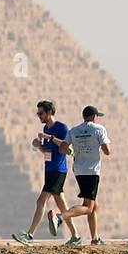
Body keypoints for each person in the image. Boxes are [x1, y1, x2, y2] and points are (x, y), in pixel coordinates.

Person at [12, 100, 80, 246]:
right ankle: (75, 236)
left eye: (40, 113)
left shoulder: (62, 128)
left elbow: (68, 149)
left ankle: (29, 235)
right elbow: (48, 151)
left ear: (49, 113)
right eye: (38, 113)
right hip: (49, 169)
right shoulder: (46, 128)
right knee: (61, 205)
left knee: (41, 200)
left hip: (58, 170)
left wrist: (49, 138)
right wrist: (38, 146)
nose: (38, 116)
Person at [56, 106, 112, 245]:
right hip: (92, 171)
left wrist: (76, 150)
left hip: (79, 170)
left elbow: (63, 148)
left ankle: (95, 238)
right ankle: (60, 217)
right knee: (88, 207)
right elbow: (107, 151)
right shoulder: (99, 129)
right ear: (94, 117)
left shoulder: (73, 130)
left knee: (94, 204)